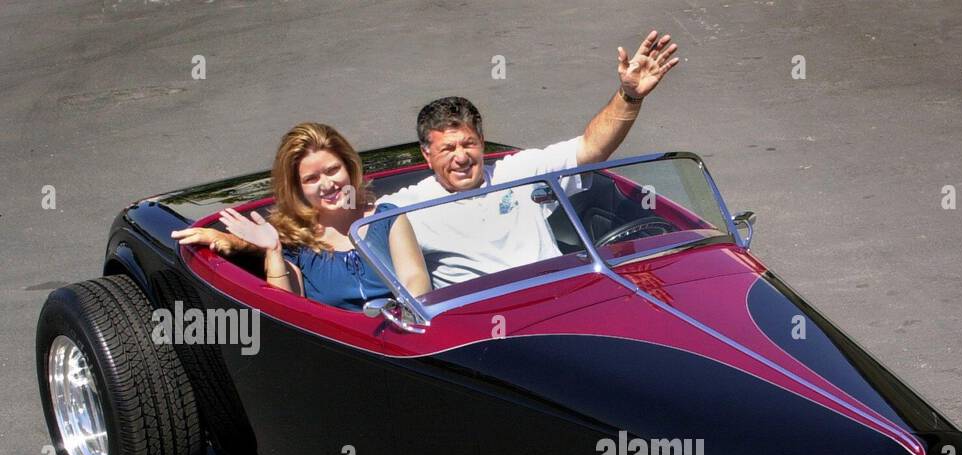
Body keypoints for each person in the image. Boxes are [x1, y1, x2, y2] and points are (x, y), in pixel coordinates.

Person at [383, 29, 680, 287]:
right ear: (426, 154)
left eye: (469, 144)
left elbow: (592, 148)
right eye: (448, 149)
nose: (461, 157)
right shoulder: (407, 207)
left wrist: (630, 96)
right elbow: (346, 232)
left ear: (482, 143)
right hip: (487, 327)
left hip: (560, 298)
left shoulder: (517, 171)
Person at [171, 123, 431, 310]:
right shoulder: (295, 243)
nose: (327, 184)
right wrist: (273, 250)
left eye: (333, 170)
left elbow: (416, 285)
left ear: (350, 167)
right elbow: (286, 313)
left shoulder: (387, 219)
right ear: (297, 188)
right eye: (312, 179)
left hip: (401, 343)